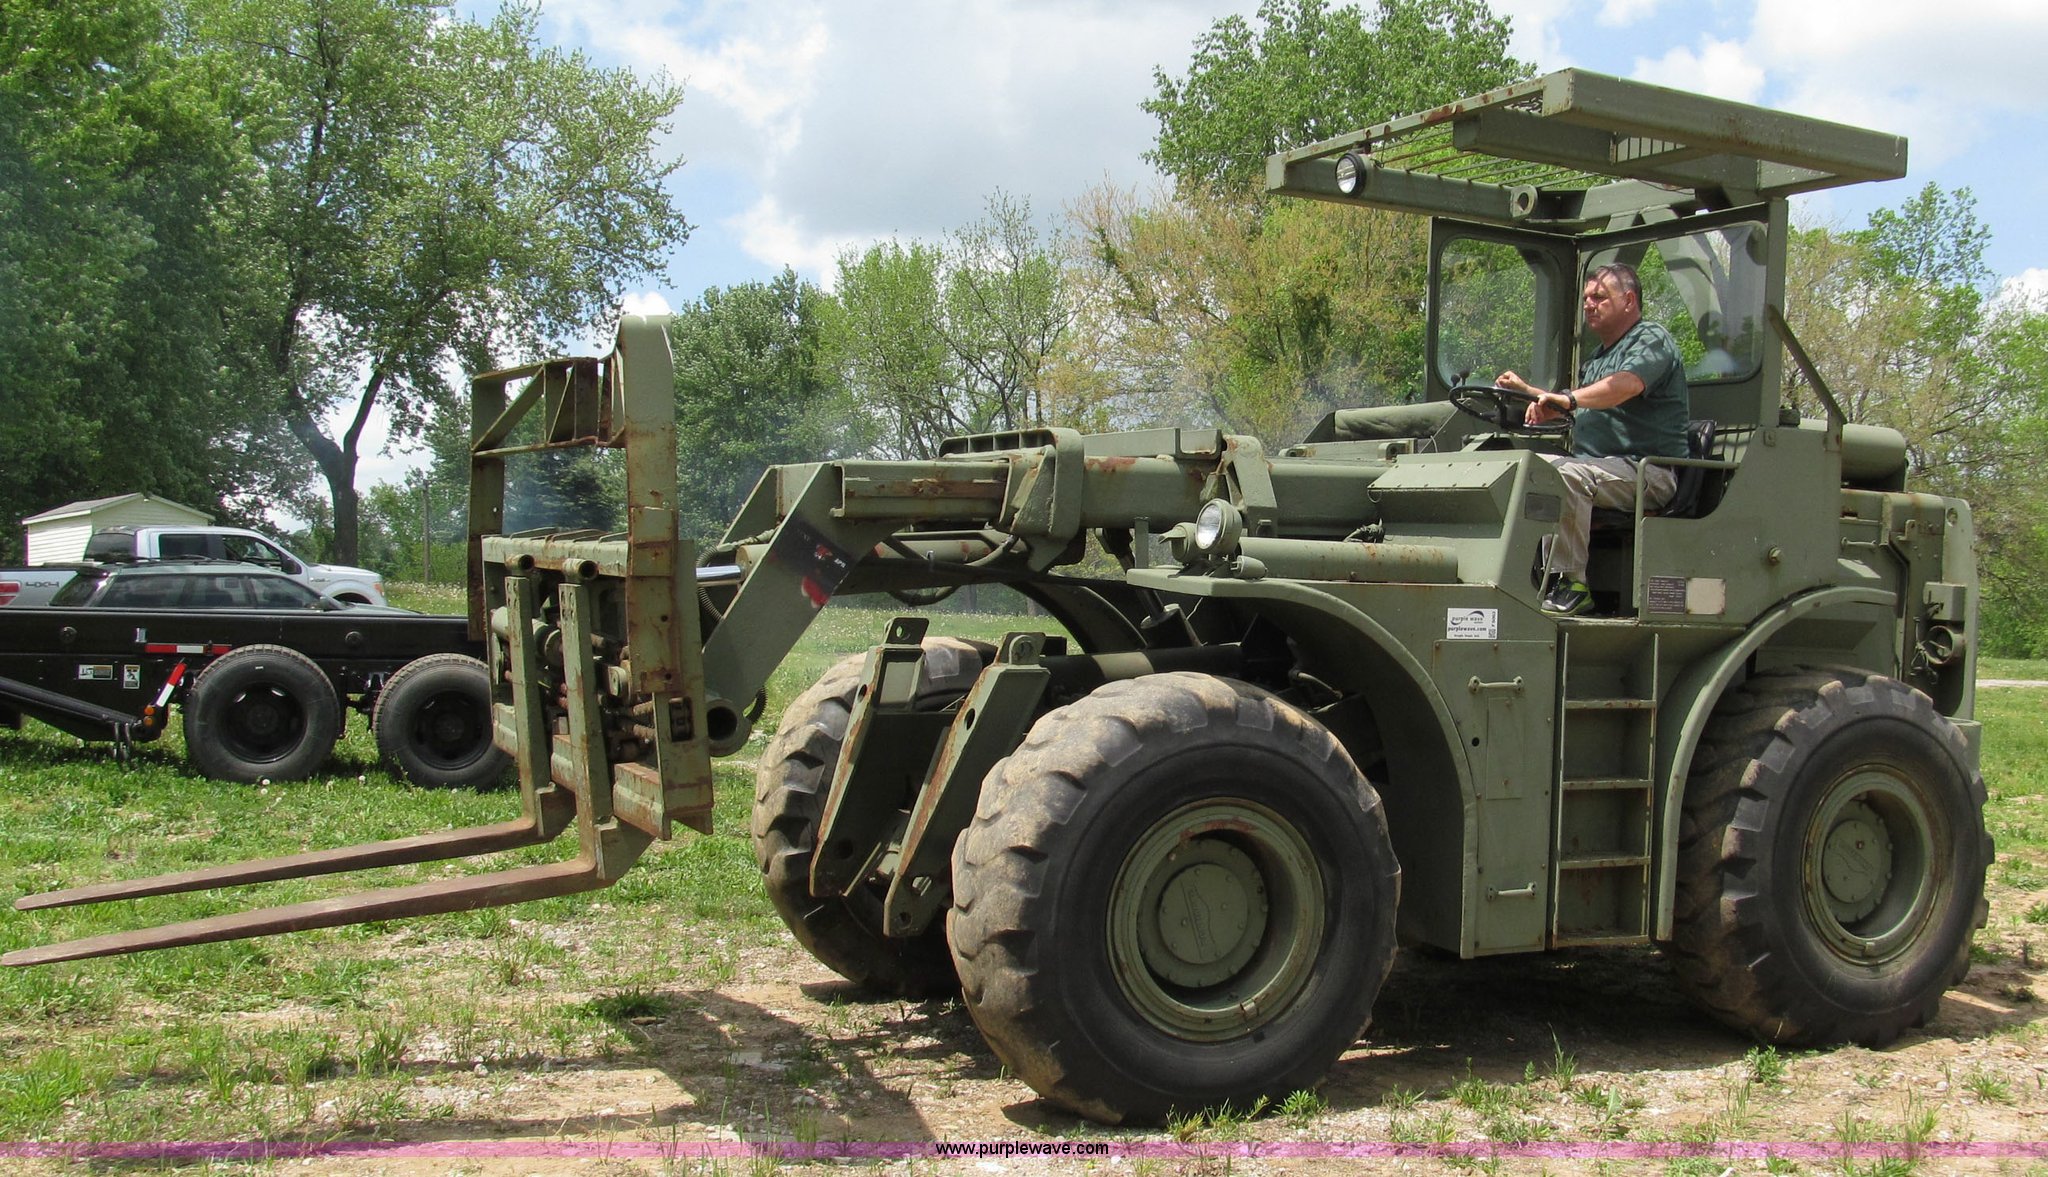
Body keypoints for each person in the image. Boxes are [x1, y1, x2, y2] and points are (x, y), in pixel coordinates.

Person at [1497, 263, 1690, 617]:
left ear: (1629, 300)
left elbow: (1623, 388)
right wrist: (1533, 395)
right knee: (1531, 467)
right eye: (1586, 298)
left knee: (1565, 474)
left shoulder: (1650, 340)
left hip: (1649, 472)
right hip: (1605, 469)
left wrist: (1568, 400)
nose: (1589, 304)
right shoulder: (1598, 359)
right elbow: (1582, 404)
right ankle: (1532, 575)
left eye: (1599, 297)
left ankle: (1571, 584)